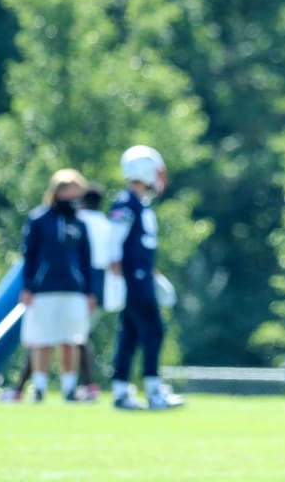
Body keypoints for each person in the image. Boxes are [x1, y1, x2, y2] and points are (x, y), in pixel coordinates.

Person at [109, 145, 185, 411]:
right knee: (153, 330)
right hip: (133, 279)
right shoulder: (126, 203)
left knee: (129, 334)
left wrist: (152, 273)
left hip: (140, 276)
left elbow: (137, 246)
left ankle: (121, 390)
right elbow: (114, 242)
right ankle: (153, 390)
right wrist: (122, 277)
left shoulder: (138, 204)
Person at [20, 168, 96, 403]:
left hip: (73, 289)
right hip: (44, 289)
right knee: (41, 340)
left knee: (70, 340)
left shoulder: (80, 222)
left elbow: (86, 259)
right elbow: (29, 255)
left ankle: (69, 388)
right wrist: (27, 286)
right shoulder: (39, 219)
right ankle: (39, 387)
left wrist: (91, 291)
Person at [74, 183, 111, 401]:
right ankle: (87, 384)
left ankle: (87, 383)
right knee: (82, 334)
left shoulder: (78, 220)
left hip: (80, 279)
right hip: (100, 282)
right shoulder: (107, 224)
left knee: (76, 336)